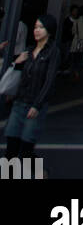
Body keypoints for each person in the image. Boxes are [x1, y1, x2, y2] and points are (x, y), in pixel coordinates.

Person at [4, 13, 60, 165]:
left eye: (41, 27)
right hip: (19, 103)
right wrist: (16, 62)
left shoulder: (53, 52)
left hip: (35, 106)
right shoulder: (28, 51)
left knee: (26, 151)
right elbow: (18, 76)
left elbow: (49, 81)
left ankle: (39, 172)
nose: (37, 30)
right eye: (35, 27)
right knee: (11, 150)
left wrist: (37, 105)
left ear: (49, 30)